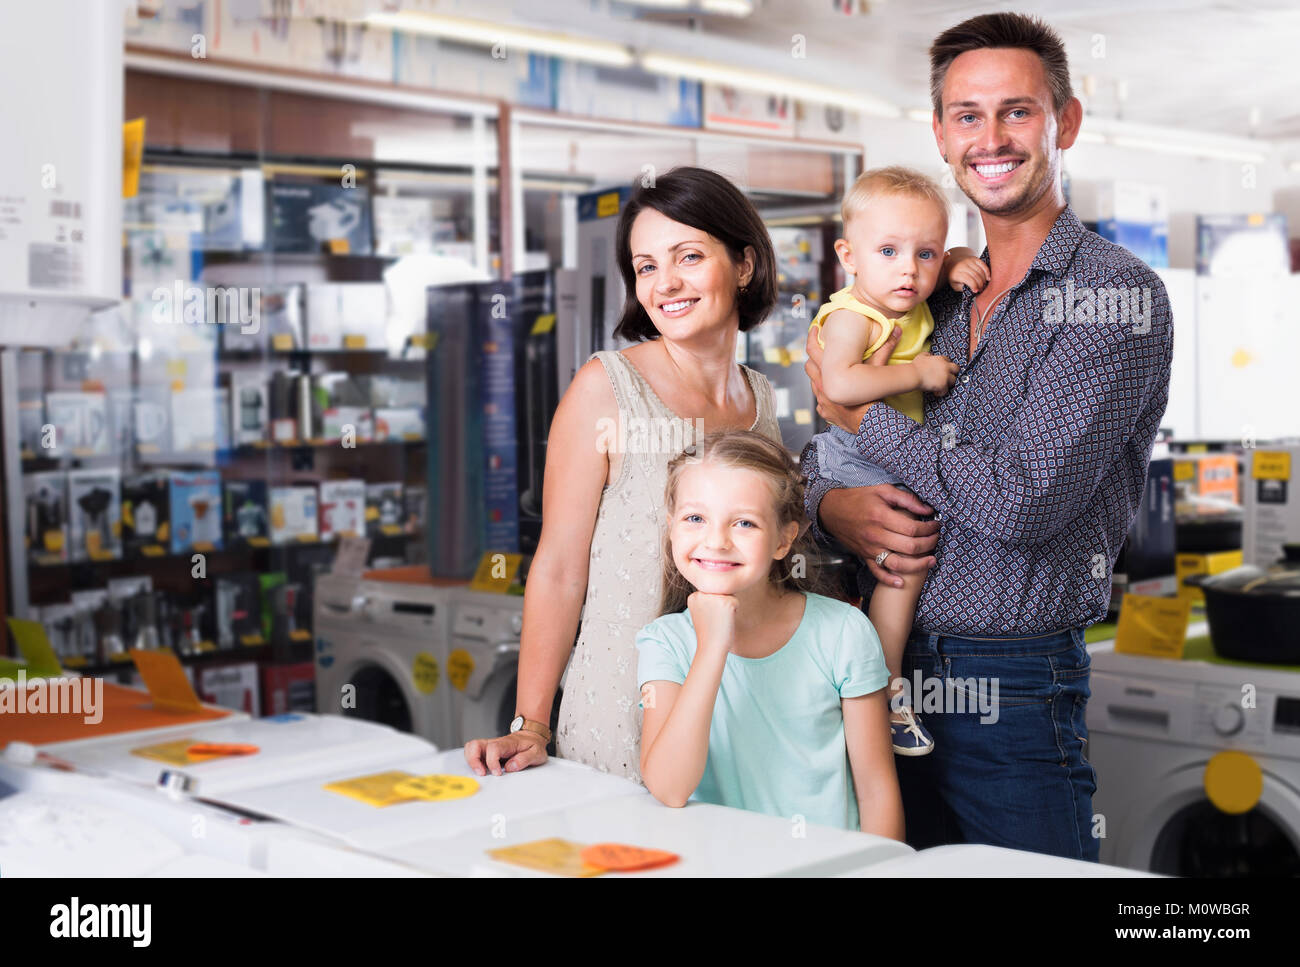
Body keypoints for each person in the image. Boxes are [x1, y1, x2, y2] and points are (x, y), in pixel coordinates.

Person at [801, 12, 1172, 860]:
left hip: (1010, 682)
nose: (991, 137)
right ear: (940, 134)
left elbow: (1021, 502)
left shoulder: (1113, 298)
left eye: (1018, 111)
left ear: (1065, 121)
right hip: (872, 664)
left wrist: (862, 414)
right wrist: (834, 508)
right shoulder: (932, 292)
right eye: (968, 115)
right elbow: (818, 458)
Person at [465, 167, 784, 781]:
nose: (666, 283)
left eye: (688, 256)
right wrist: (530, 724)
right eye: (646, 267)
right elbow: (558, 565)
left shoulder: (761, 401)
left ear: (744, 265)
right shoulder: (606, 388)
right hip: (621, 707)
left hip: (741, 706)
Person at [637, 430, 903, 838]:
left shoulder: (842, 632)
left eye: (744, 522)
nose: (716, 541)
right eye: (695, 518)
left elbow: (876, 792)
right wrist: (711, 649)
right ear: (672, 527)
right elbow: (669, 788)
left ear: (784, 539)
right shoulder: (664, 642)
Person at [809, 165, 986, 755]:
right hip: (857, 455)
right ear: (848, 256)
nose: (909, 269)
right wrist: (918, 371)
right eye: (888, 250)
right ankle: (883, 690)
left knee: (905, 562)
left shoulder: (901, 289)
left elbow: (925, 257)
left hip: (890, 449)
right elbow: (838, 383)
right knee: (905, 568)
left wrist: (958, 257)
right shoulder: (854, 315)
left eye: (926, 254)